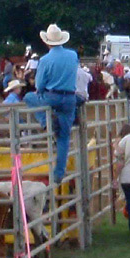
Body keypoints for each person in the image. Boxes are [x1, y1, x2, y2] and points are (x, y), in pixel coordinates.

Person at [23, 24, 79, 183]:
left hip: (51, 97)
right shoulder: (73, 55)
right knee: (64, 137)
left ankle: (45, 122)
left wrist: (40, 92)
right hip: (69, 98)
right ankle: (59, 174)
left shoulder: (45, 60)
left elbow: (39, 86)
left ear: (47, 42)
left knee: (28, 97)